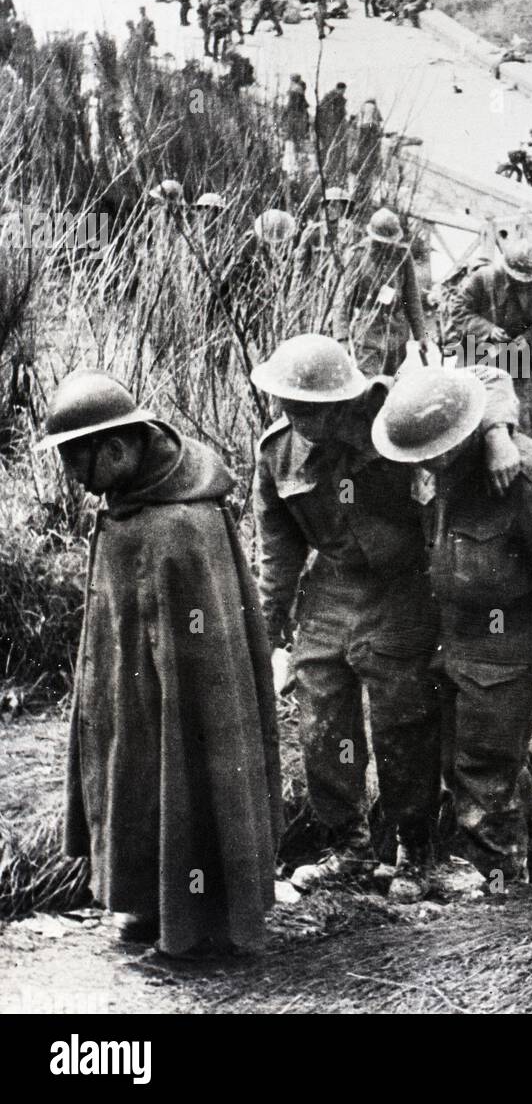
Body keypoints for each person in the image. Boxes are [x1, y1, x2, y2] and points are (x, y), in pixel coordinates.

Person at [252, 338, 520, 895]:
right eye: (285, 406)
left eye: (306, 408)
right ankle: (345, 844)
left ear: (342, 400)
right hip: (330, 589)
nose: (293, 419)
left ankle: (412, 847)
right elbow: (276, 552)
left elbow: (485, 378)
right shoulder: (277, 453)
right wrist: (268, 627)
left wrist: (496, 434)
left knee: (403, 719)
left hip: (403, 586)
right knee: (321, 717)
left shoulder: (395, 403)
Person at [40, 370, 281, 957]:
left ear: (117, 449)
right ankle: (150, 900)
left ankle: (203, 912)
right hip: (136, 686)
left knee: (192, 772)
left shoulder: (181, 521)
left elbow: (202, 639)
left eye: (79, 464)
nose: (75, 481)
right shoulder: (131, 503)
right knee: (140, 774)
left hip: (190, 693)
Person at [372, 366, 532, 886]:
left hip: (506, 651)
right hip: (451, 640)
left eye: (436, 454)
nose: (426, 466)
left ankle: (502, 892)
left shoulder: (525, 477)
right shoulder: (435, 460)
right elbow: (475, 374)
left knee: (483, 774)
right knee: (465, 763)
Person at [452, 242, 532, 439]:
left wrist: (528, 339)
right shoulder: (482, 279)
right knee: (474, 397)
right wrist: (488, 330)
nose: (523, 285)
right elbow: (458, 311)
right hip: (483, 347)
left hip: (521, 349)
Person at [332, 207, 428, 376]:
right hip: (367, 335)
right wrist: (342, 337)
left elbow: (412, 298)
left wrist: (421, 334)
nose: (385, 246)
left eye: (389, 242)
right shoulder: (357, 256)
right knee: (369, 387)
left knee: (387, 385)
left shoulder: (403, 255)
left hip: (396, 338)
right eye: (380, 242)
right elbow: (342, 300)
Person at [316, 81, 348, 179]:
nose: (343, 93)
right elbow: (324, 110)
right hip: (330, 127)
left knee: (332, 149)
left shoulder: (335, 98)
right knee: (331, 148)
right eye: (343, 91)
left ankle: (330, 171)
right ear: (339, 89)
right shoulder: (332, 97)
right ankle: (328, 171)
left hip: (332, 127)